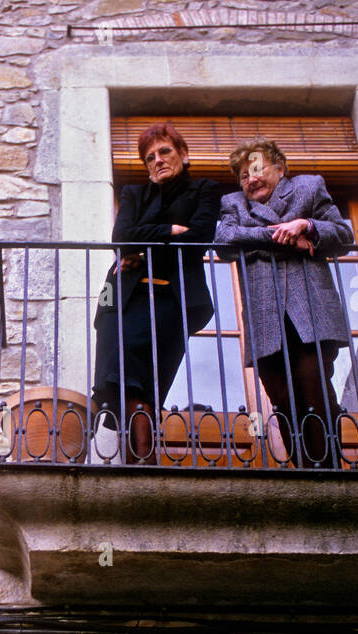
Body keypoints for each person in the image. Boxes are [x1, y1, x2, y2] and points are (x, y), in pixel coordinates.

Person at [216, 138, 354, 469]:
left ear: (280, 168)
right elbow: (224, 241)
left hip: (310, 307)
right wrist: (286, 239)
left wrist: (307, 225)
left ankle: (329, 473)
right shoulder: (232, 203)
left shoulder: (308, 187)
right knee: (281, 399)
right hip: (265, 315)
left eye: (256, 169)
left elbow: (343, 235)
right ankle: (306, 470)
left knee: (314, 390)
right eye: (243, 176)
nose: (250, 180)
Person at [91, 123, 220, 464]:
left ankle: (143, 463)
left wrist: (144, 247)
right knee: (117, 382)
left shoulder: (205, 189)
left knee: (143, 383)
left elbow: (199, 238)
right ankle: (141, 462)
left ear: (183, 154)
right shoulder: (134, 193)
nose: (158, 160)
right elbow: (121, 239)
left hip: (169, 299)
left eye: (165, 151)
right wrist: (168, 231)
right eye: (150, 157)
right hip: (119, 298)